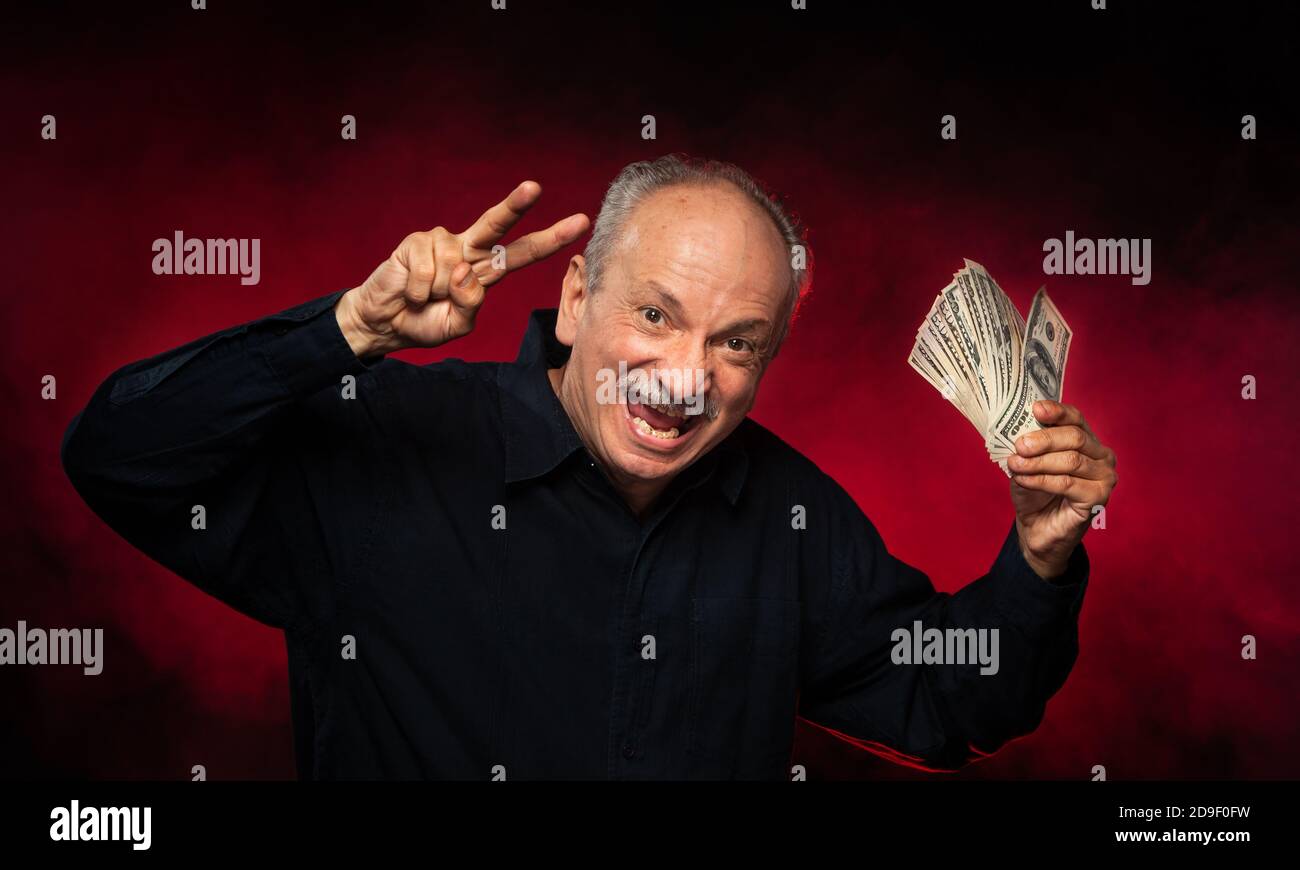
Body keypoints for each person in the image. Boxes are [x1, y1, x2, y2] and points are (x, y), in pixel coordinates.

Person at [61, 154, 1117, 779]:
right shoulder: (386, 441)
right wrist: (345, 331)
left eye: (735, 342)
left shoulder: (793, 516)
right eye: (654, 315)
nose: (686, 376)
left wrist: (1038, 558)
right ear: (575, 299)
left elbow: (950, 703)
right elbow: (119, 454)